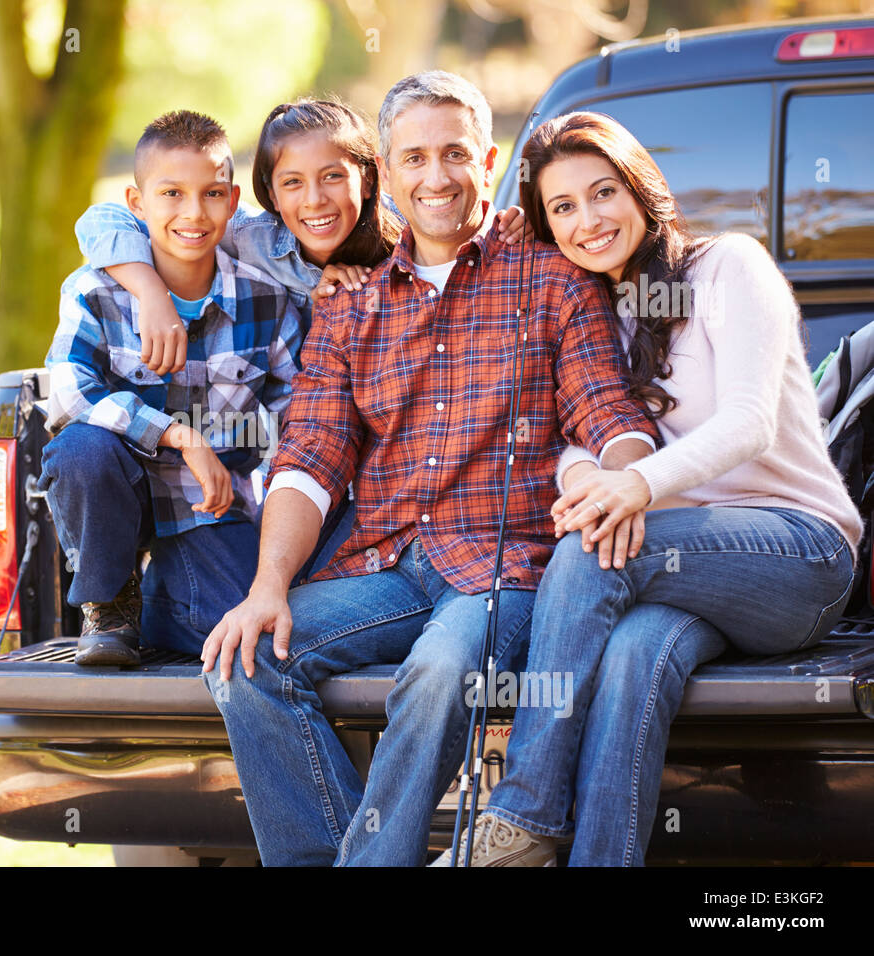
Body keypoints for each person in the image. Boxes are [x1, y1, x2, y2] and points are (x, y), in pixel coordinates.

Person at [197, 73, 660, 866]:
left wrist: (629, 479)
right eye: (414, 157)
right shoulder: (351, 305)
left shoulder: (552, 281)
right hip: (387, 565)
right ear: (388, 171)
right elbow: (309, 455)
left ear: (487, 159)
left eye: (454, 153)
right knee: (243, 664)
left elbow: (608, 412)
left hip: (502, 568)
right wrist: (268, 589)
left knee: (440, 672)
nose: (436, 176)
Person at [446, 111, 863, 867]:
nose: (588, 220)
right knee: (637, 652)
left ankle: (526, 811)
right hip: (677, 571)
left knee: (585, 553)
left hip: (796, 553)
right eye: (562, 208)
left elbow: (749, 423)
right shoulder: (595, 314)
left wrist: (632, 485)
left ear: (640, 188)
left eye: (602, 192)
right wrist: (594, 483)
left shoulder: (728, 267)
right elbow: (573, 442)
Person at [75, 98, 528, 580]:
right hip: (310, 450)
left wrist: (509, 219)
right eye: (292, 183)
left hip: (391, 465)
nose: (314, 200)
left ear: (370, 178)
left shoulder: (408, 238)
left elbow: (459, 213)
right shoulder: (248, 237)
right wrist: (149, 290)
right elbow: (103, 219)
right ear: (268, 194)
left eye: (333, 176)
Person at [40, 110, 303, 667]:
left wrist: (266, 489)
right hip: (124, 494)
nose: (192, 212)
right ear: (137, 205)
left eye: (210, 194)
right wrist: (182, 437)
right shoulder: (97, 291)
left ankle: (163, 602)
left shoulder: (264, 299)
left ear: (233, 202)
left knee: (250, 635)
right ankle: (110, 602)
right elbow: (66, 391)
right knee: (81, 447)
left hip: (210, 507)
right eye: (171, 194)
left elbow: (297, 412)